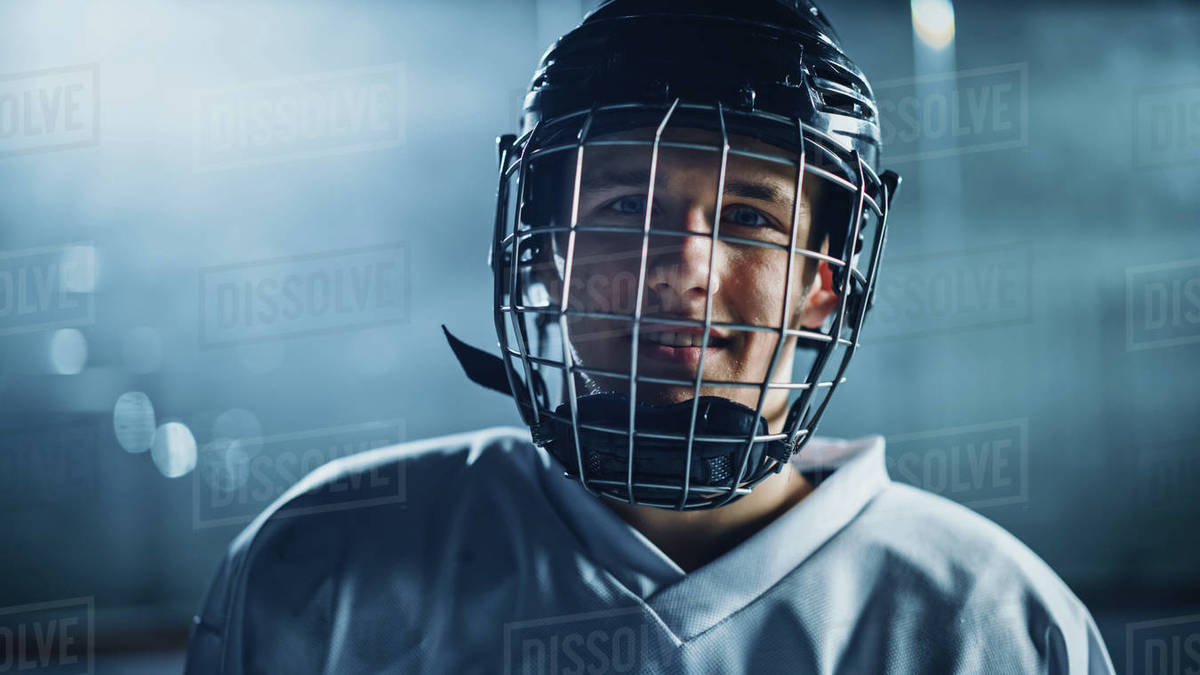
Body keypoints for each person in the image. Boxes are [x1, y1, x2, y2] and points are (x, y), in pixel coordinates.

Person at [185, 1, 1116, 672]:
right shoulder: (322, 563)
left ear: (823, 282)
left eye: (751, 218)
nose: (682, 267)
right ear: (543, 254)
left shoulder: (995, 624)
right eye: (627, 204)